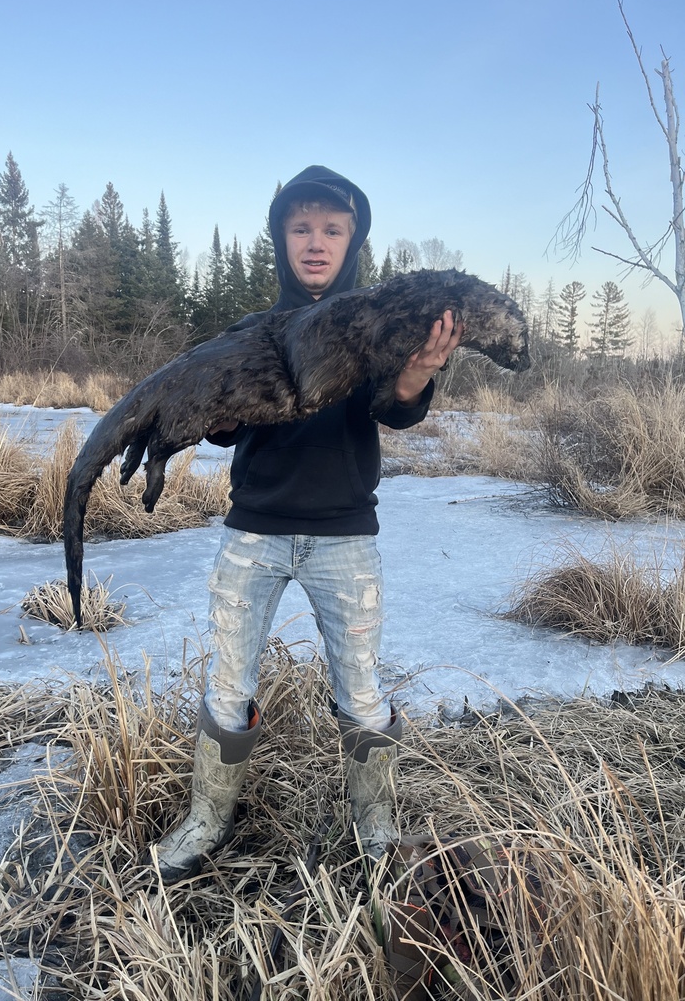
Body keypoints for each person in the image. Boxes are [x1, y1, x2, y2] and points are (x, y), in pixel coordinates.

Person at [154, 165, 463, 883]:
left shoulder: (378, 329)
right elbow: (222, 428)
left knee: (361, 689)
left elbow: (393, 409)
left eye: (332, 229)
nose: (316, 243)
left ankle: (377, 827)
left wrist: (417, 374)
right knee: (228, 683)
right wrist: (218, 414)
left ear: (353, 240)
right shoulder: (251, 330)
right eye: (301, 229)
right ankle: (206, 822)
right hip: (253, 532)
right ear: (281, 238)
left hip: (346, 538)